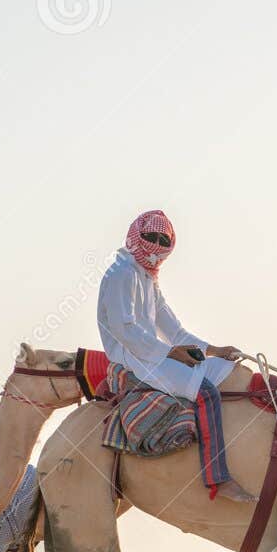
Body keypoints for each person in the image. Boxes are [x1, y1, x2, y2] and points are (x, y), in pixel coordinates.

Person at [96, 209, 256, 502]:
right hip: (135, 359)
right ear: (136, 236)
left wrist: (216, 350)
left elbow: (175, 331)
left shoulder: (147, 278)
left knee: (222, 370)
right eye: (151, 237)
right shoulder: (122, 274)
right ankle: (217, 478)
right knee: (206, 392)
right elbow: (125, 330)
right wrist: (171, 354)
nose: (156, 245)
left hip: (155, 353)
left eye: (162, 240)